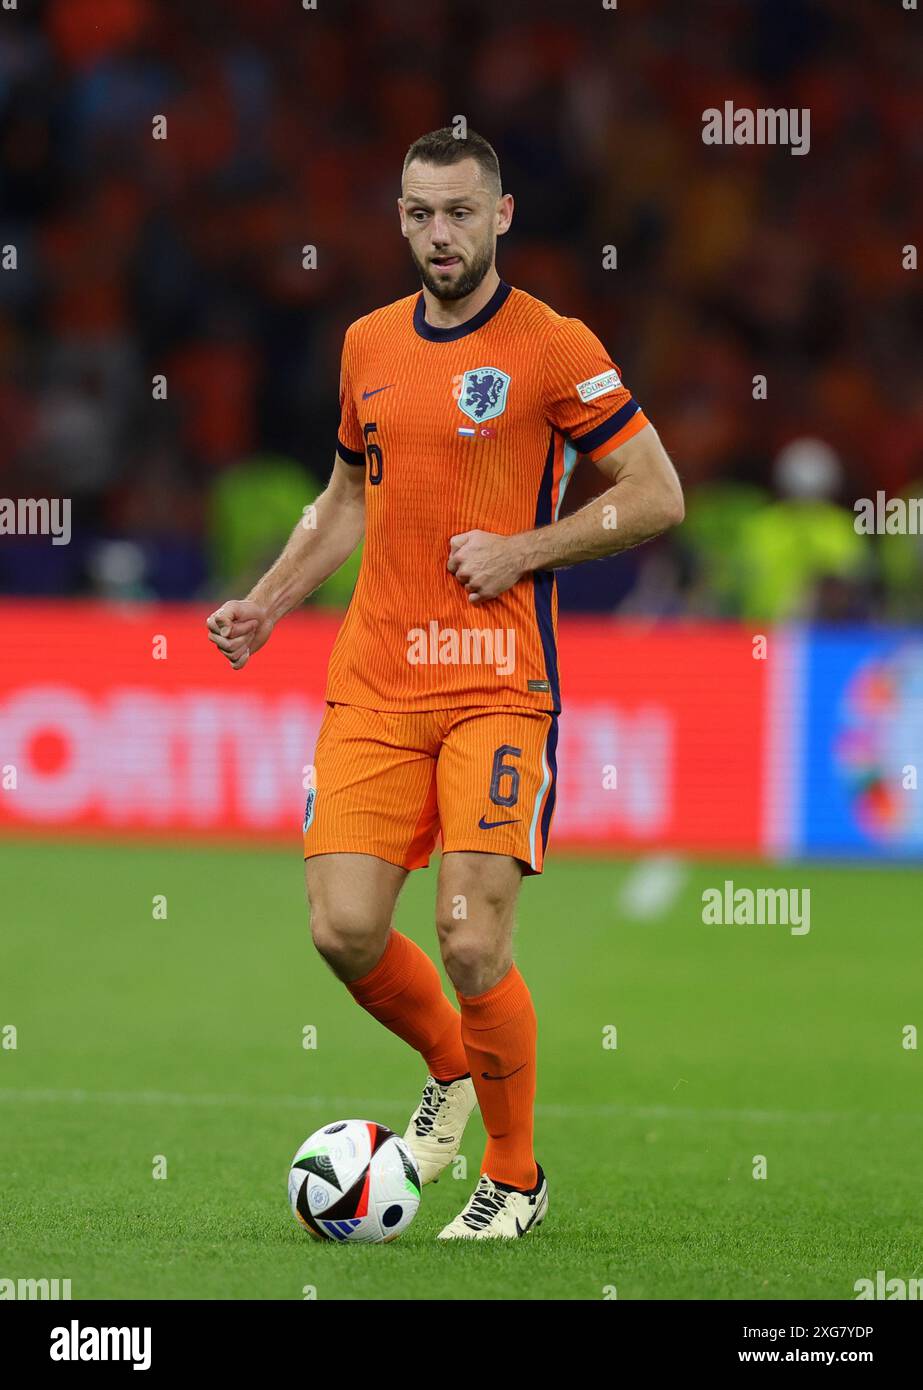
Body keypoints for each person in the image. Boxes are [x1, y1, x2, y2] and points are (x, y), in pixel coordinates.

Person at [207, 128, 683, 1239]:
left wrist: (522, 550)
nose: (437, 235)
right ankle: (450, 1068)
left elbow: (656, 494)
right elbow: (344, 502)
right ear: (400, 215)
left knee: (470, 936)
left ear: (501, 216)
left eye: (459, 213)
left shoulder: (552, 345)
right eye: (419, 213)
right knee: (343, 930)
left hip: (494, 682)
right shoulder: (367, 343)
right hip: (374, 682)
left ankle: (513, 1176)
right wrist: (267, 602)